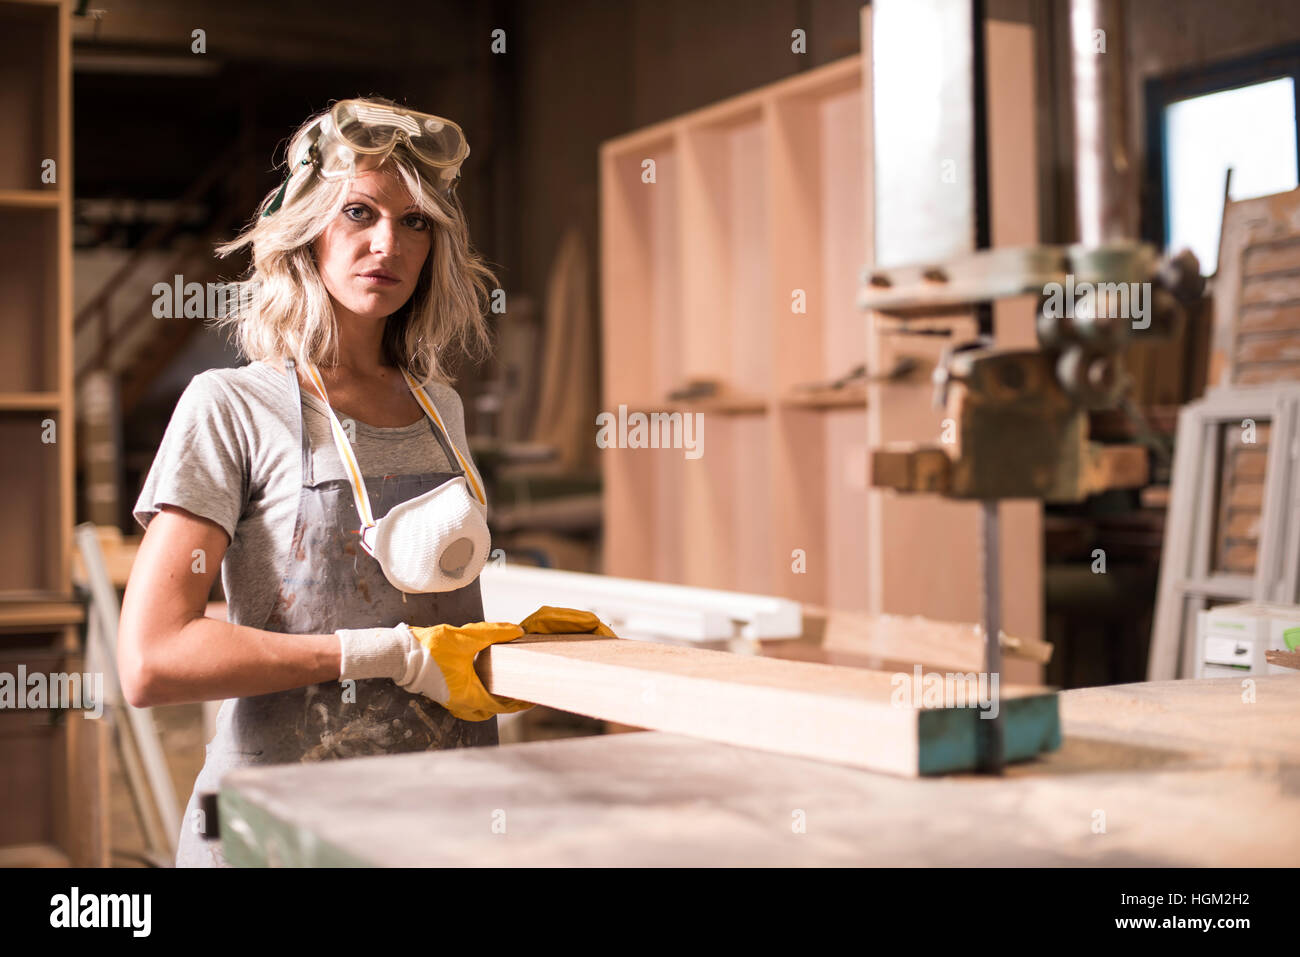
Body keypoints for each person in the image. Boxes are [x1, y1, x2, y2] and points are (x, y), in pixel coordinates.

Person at [119, 98, 544, 867]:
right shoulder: (233, 407)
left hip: (439, 816)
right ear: (310, 228)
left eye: (417, 222)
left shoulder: (437, 403)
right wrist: (376, 653)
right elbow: (153, 658)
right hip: (283, 828)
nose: (390, 243)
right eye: (360, 212)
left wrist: (527, 653)